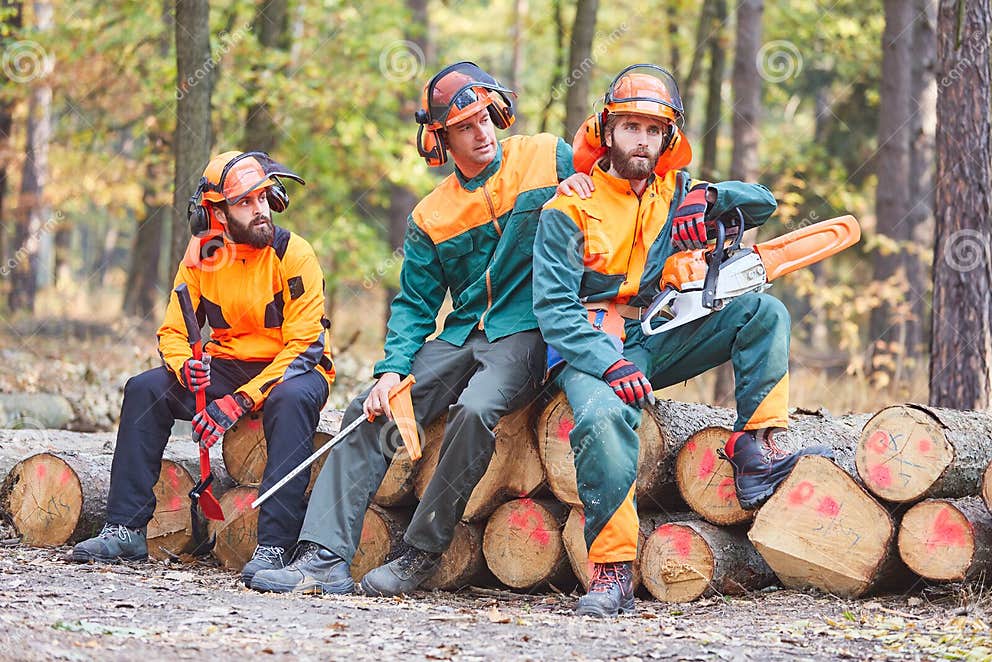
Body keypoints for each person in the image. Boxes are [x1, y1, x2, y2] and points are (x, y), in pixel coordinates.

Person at [250, 61, 579, 597]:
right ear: (441, 138)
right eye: (465, 127)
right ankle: (323, 557)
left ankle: (420, 551)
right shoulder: (431, 214)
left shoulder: (546, 156)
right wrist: (392, 369)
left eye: (485, 118)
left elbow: (612, 184)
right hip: (462, 334)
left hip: (528, 330)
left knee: (475, 410)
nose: (482, 134)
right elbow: (415, 305)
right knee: (369, 409)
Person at [533, 64, 831, 617]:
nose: (641, 140)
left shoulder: (678, 191)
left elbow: (762, 203)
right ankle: (612, 567)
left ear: (668, 136)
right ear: (608, 129)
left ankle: (756, 449)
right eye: (630, 128)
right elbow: (553, 309)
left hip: (657, 330)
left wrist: (711, 197)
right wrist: (608, 363)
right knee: (600, 419)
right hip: (589, 343)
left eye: (652, 129)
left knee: (762, 312)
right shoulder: (568, 207)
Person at [71, 151, 335, 588]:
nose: (261, 210)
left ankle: (275, 546)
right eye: (246, 203)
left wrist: (240, 400)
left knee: (289, 400)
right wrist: (184, 365)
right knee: (144, 389)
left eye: (263, 198)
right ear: (216, 213)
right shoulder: (203, 256)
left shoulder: (294, 254)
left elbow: (305, 346)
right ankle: (125, 529)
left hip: (293, 368)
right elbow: (171, 331)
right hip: (227, 365)